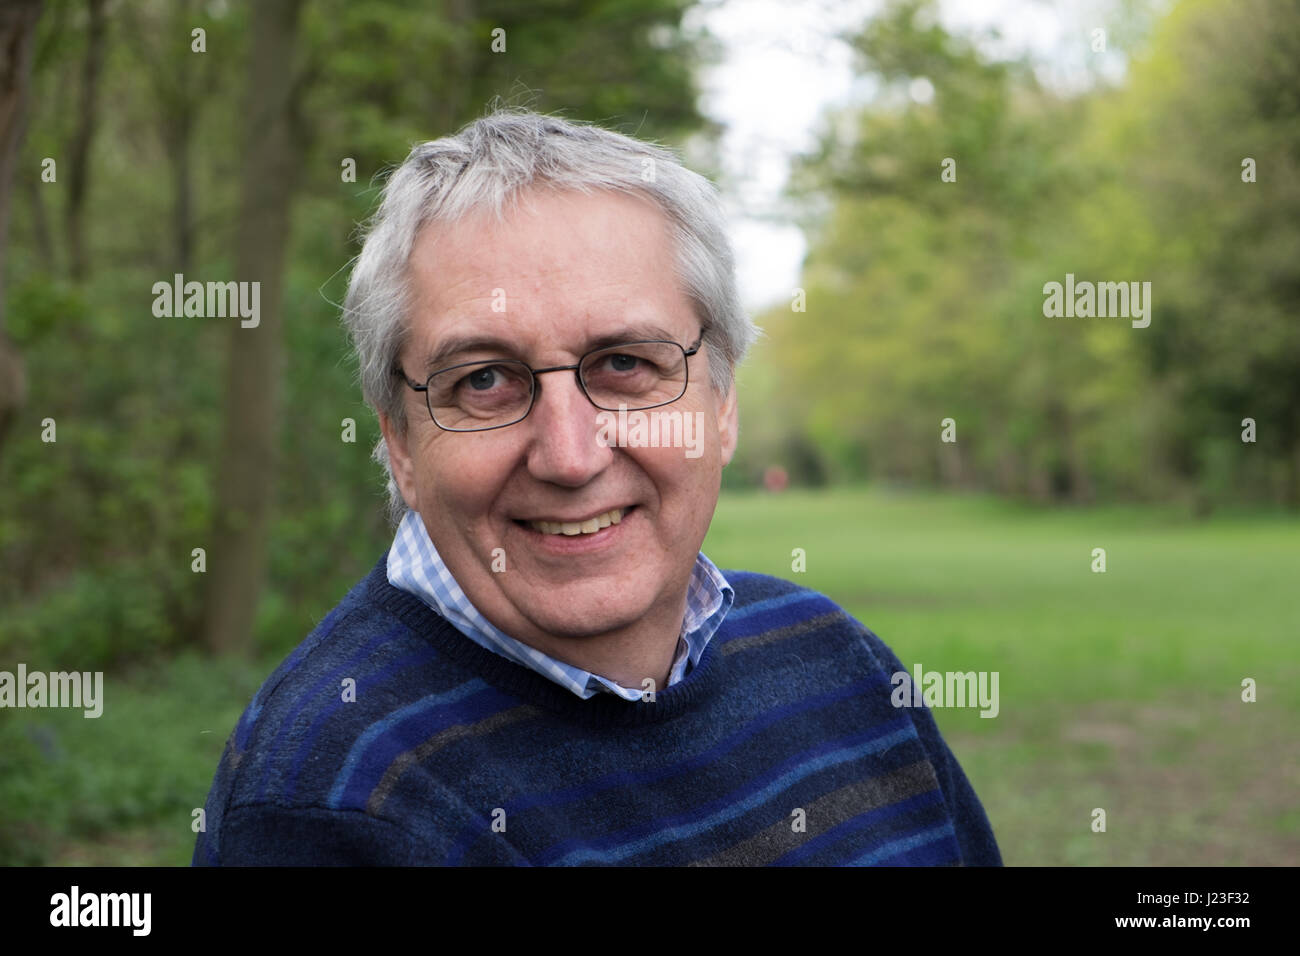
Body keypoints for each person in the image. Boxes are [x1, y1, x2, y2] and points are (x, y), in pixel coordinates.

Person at [193, 108, 1001, 866]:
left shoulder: (833, 658)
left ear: (721, 403)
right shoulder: (336, 807)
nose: (570, 456)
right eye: (484, 382)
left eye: (624, 366)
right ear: (399, 440)